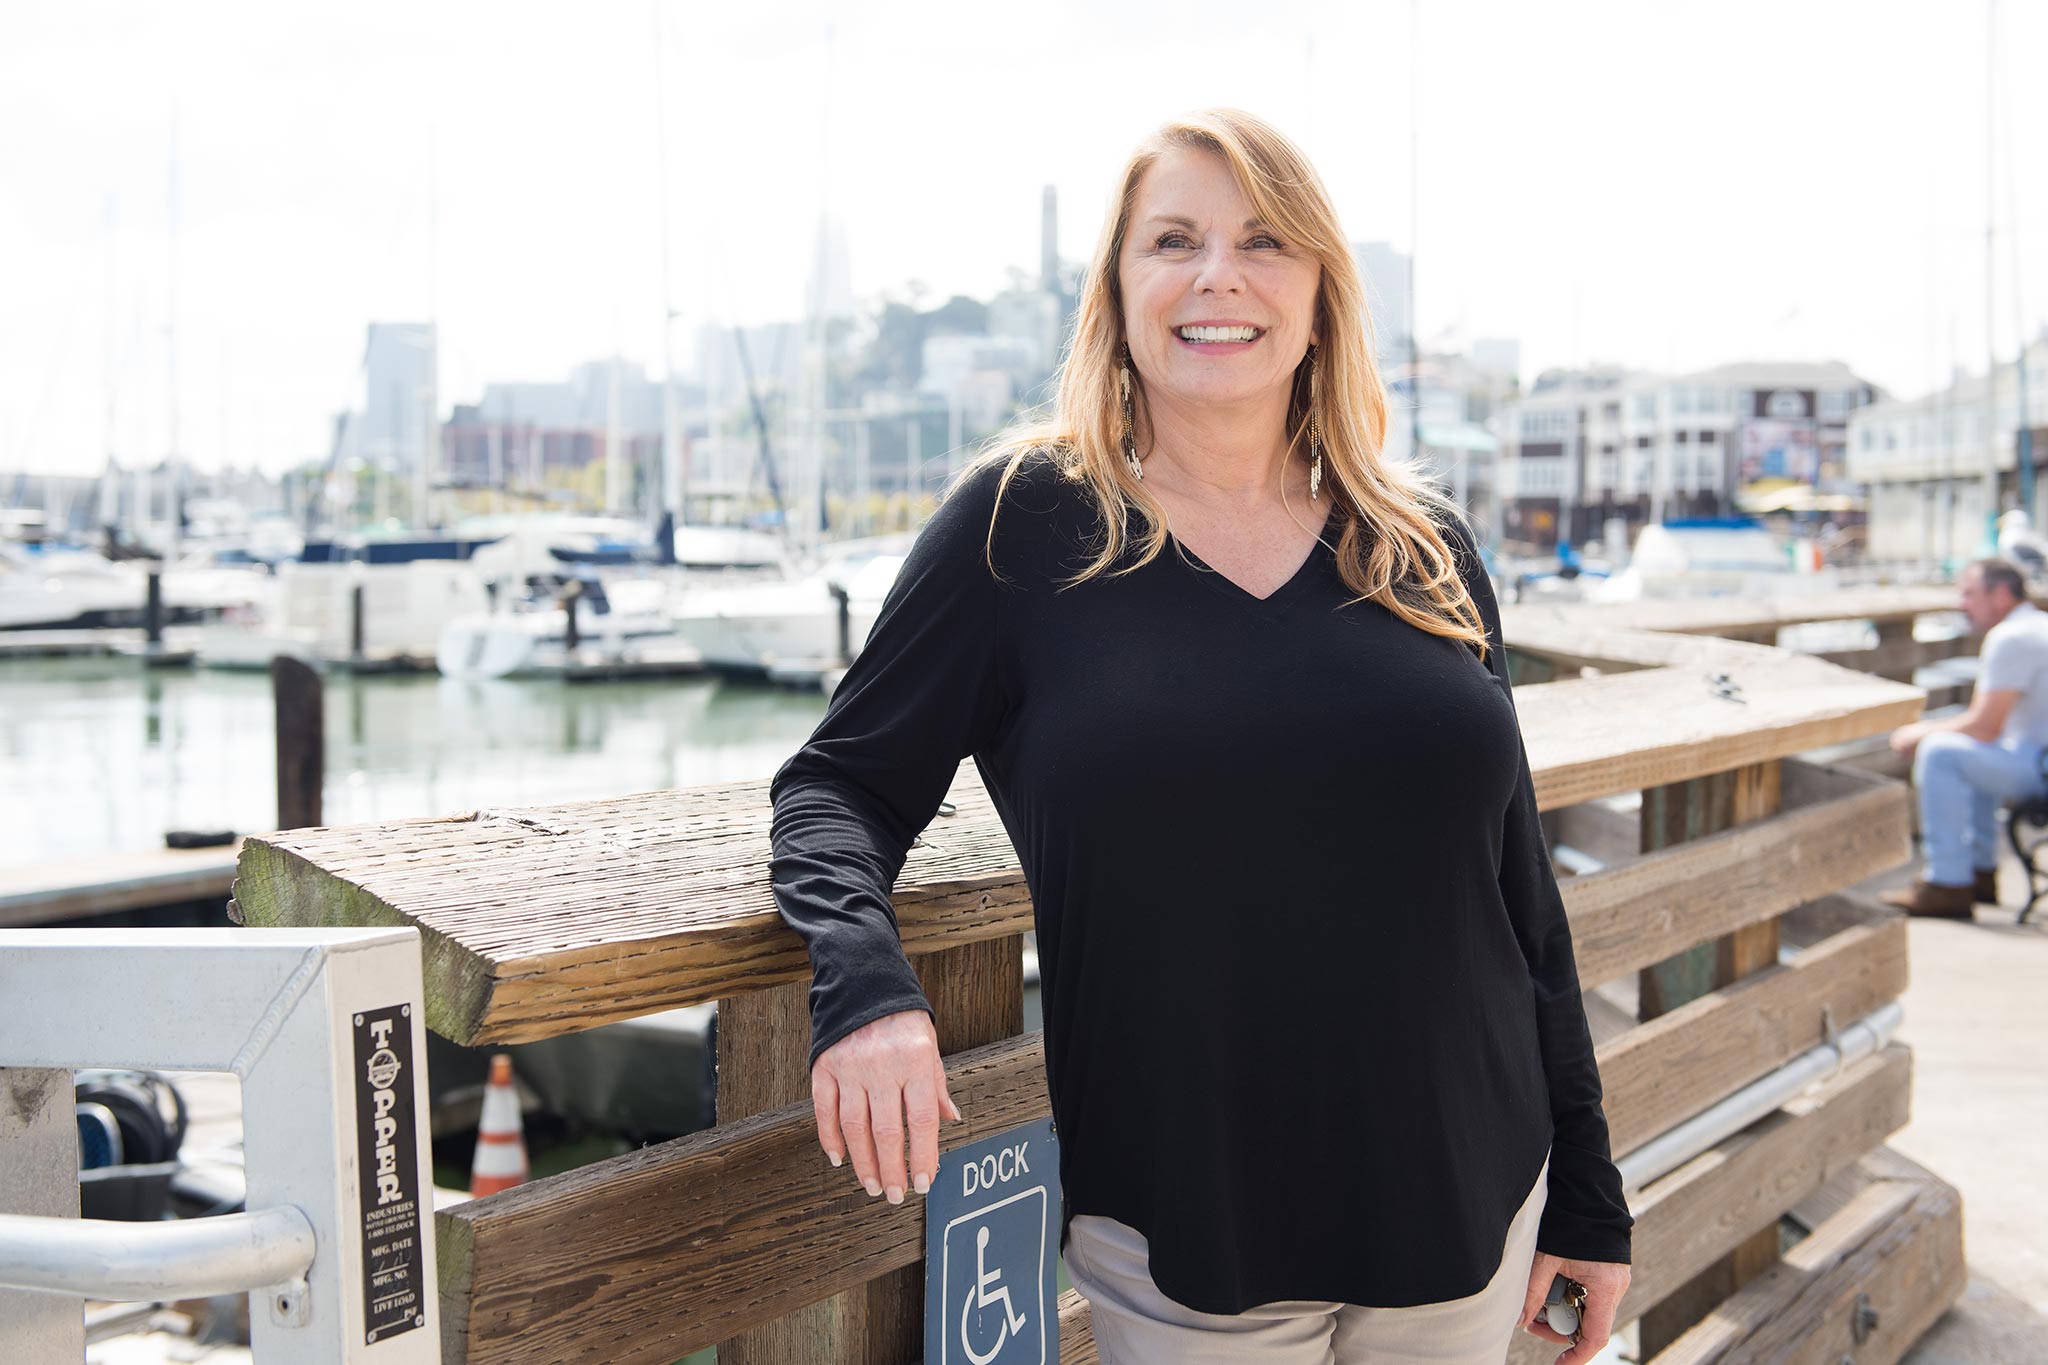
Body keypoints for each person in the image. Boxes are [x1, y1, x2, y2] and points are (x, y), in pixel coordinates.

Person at [767, 108, 1632, 1364]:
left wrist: (1587, 1191)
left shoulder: (1420, 544)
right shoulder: (1021, 527)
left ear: (1320, 294)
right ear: (1116, 294)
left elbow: (1517, 898)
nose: (1217, 275)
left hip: (1473, 1206)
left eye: (1264, 242)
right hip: (1191, 1230)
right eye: (1171, 240)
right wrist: (864, 991)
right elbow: (836, 787)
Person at [1882, 556, 2048, 919]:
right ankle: (1978, 872)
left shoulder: (2012, 637)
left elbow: (1984, 725)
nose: (1962, 604)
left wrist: (1917, 733)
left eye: (1969, 593)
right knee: (1969, 750)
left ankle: (1948, 883)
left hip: (2039, 772)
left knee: (1941, 752)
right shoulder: (2038, 626)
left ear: (2001, 594)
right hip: (2038, 761)